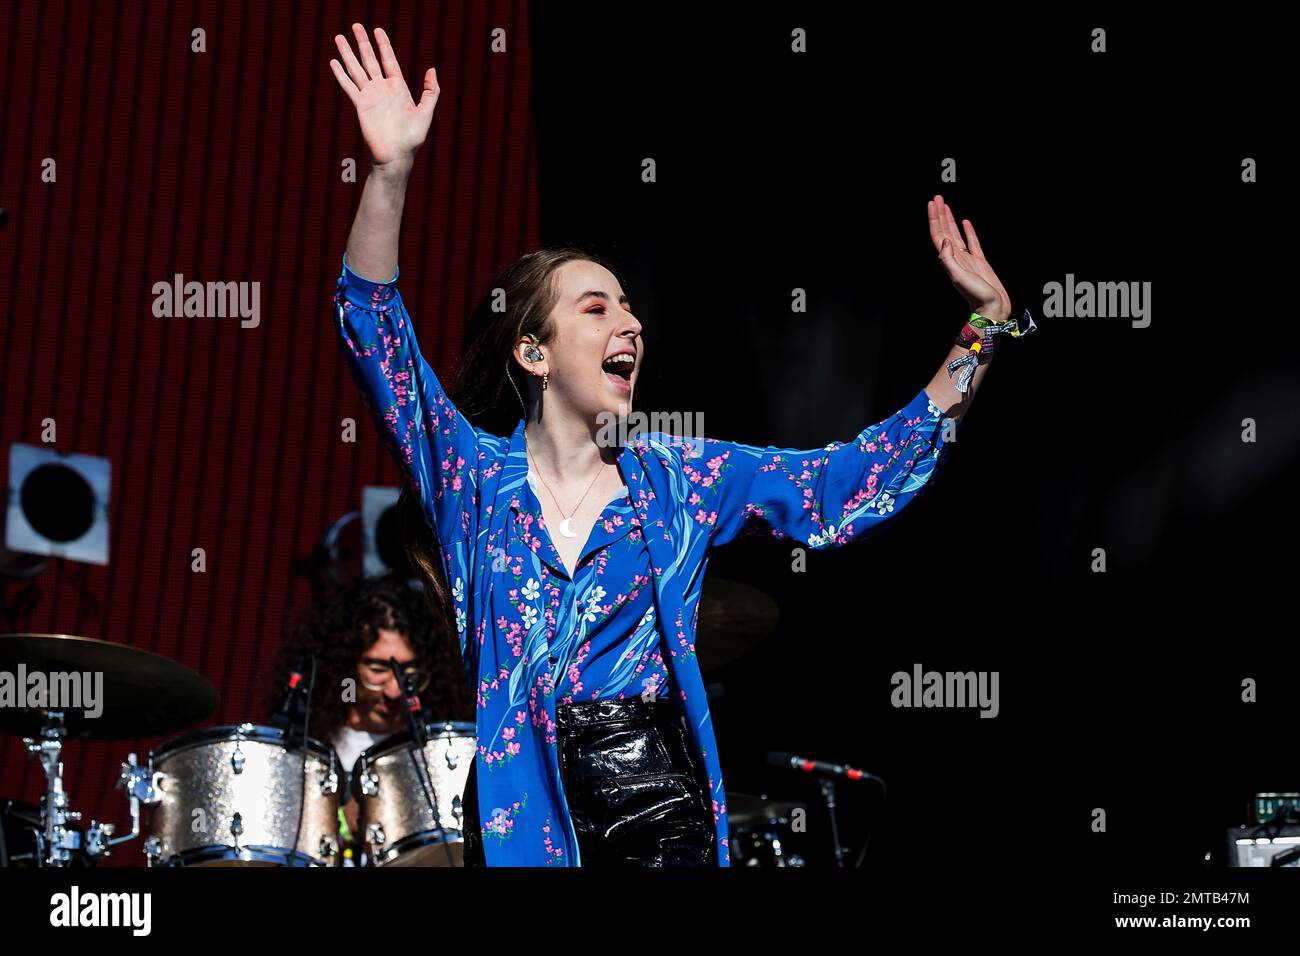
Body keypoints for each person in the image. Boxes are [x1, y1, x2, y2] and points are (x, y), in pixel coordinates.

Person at [328, 24, 1021, 866]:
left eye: (629, 309)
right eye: (596, 308)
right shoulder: (472, 479)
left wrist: (983, 331)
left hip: (657, 802)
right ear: (532, 351)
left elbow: (849, 483)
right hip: (522, 812)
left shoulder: (681, 479)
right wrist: (391, 171)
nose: (630, 323)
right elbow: (374, 327)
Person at [266, 572, 472, 863]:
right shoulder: (302, 749)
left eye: (408, 672)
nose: (394, 690)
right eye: (377, 669)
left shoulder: (446, 756)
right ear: (343, 665)